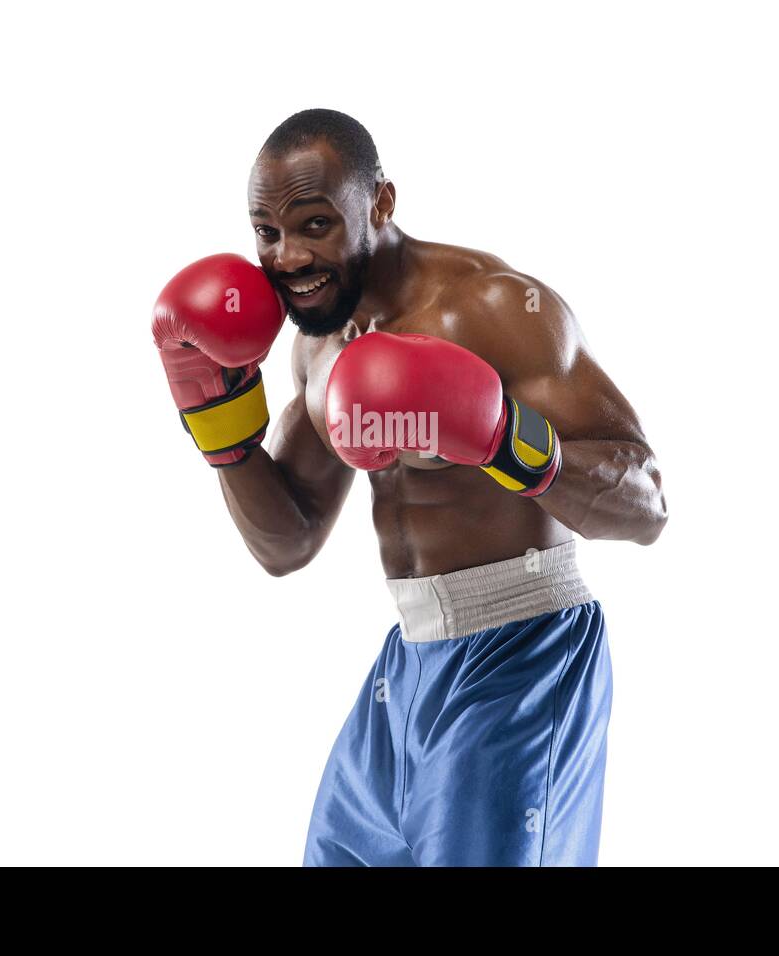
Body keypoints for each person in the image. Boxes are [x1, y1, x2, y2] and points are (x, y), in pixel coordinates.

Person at [152, 109, 667, 866]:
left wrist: (500, 436)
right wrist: (217, 424)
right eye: (266, 232)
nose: (287, 256)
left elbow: (649, 504)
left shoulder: (492, 308)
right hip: (408, 667)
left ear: (381, 204)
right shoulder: (318, 344)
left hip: (522, 653)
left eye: (315, 224)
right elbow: (286, 541)